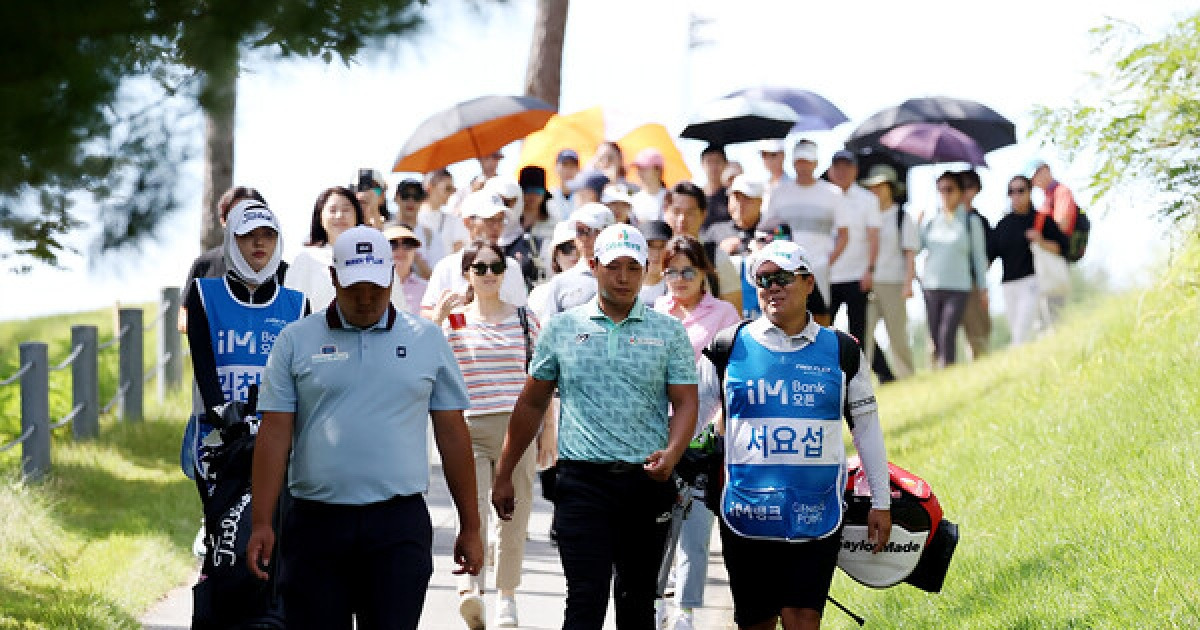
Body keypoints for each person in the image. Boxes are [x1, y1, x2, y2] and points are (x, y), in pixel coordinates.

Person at [247, 226, 483, 630]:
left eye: (375, 286)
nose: (366, 298)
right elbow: (274, 432)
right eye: (355, 287)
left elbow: (452, 433)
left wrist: (471, 525)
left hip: (397, 524)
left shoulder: (426, 339)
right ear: (335, 278)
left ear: (391, 276)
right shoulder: (295, 340)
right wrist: (262, 522)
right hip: (316, 525)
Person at [491, 224, 699, 629]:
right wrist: (504, 473)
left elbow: (685, 401)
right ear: (593, 266)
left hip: (646, 483)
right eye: (613, 267)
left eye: (633, 268)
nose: (623, 277)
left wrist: (672, 454)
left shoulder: (668, 331)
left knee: (637, 600)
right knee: (585, 597)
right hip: (582, 481)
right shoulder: (561, 328)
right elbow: (532, 402)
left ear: (646, 271)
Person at [704, 240, 891, 630]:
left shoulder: (842, 349)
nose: (773, 287)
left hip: (816, 511)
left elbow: (868, 430)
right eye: (764, 279)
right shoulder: (728, 345)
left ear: (808, 283)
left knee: (803, 619)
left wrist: (881, 501)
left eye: (783, 278)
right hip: (747, 512)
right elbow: (693, 415)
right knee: (756, 623)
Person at [440, 241, 544, 629]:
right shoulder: (454, 321)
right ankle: (470, 587)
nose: (488, 274)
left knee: (513, 515)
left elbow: (542, 378)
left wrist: (547, 431)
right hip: (467, 425)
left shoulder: (525, 318)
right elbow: (427, 357)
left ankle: (507, 594)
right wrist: (438, 315)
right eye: (479, 267)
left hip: (516, 427)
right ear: (467, 273)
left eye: (495, 267)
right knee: (470, 512)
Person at [183, 199, 307, 484]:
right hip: (215, 435)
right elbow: (203, 363)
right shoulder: (203, 293)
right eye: (248, 235)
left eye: (268, 235)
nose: (259, 243)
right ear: (231, 239)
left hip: (278, 435)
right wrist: (221, 414)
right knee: (225, 525)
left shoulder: (298, 304)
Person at [651, 235, 740, 630]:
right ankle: (656, 601)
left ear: (705, 271)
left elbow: (733, 375)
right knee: (658, 519)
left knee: (695, 525)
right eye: (672, 271)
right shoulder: (656, 310)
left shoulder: (723, 314)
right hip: (659, 430)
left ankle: (685, 610)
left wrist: (720, 425)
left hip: (705, 434)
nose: (680, 279)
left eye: (689, 270)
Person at [760, 139, 848, 327]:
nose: (803, 165)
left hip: (819, 269)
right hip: (785, 269)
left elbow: (844, 234)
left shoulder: (832, 193)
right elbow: (768, 228)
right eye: (799, 160)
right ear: (793, 162)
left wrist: (827, 262)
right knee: (787, 318)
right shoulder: (779, 192)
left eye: (807, 161)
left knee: (821, 319)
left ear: (816, 163)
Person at [179, 186, 272, 333]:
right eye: (238, 214)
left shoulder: (283, 270)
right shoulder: (204, 264)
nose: (246, 221)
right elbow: (184, 317)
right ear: (223, 220)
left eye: (253, 215)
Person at [421, 192, 529, 320]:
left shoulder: (512, 266)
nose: (496, 226)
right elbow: (426, 312)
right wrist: (449, 315)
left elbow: (522, 313)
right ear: (467, 222)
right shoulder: (446, 266)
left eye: (500, 219)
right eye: (489, 219)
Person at [919, 171, 989, 368]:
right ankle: (940, 373)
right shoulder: (932, 222)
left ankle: (947, 370)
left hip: (959, 287)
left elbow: (978, 257)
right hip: (932, 285)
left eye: (949, 189)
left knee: (947, 332)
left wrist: (983, 289)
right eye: (941, 189)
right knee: (934, 335)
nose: (945, 194)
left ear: (959, 192)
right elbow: (916, 248)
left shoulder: (970, 221)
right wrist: (917, 224)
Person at [989, 175, 1068, 344]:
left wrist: (1040, 241)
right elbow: (990, 255)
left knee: (1022, 331)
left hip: (1034, 281)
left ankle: (1011, 361)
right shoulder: (1003, 225)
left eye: (1020, 190)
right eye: (1011, 192)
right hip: (1009, 285)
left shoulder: (1041, 219)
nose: (1016, 195)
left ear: (1030, 192)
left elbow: (1062, 247)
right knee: (1017, 327)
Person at [827, 150, 882, 374]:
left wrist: (869, 269)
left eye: (846, 167)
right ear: (830, 171)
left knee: (858, 329)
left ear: (855, 170)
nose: (841, 172)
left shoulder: (868, 199)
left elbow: (874, 237)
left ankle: (858, 375)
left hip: (857, 274)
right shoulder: (824, 195)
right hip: (827, 275)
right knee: (823, 326)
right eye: (837, 167)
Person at [860, 165, 917, 380]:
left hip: (894, 281)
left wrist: (908, 283)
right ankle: (862, 384)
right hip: (869, 282)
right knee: (864, 335)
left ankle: (907, 377)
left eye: (881, 187)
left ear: (891, 188)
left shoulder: (902, 216)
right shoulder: (865, 216)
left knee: (898, 336)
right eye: (872, 187)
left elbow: (910, 252)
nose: (876, 192)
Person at [285, 186, 375, 312]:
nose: (339, 216)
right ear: (320, 217)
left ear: (357, 215)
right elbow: (289, 308)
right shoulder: (305, 258)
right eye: (332, 210)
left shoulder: (374, 256)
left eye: (346, 210)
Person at [663, 181, 744, 314]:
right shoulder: (653, 256)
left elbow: (734, 317)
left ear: (703, 214)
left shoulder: (717, 258)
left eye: (690, 212)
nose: (682, 219)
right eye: (676, 211)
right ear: (665, 211)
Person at [535, 203, 614, 316]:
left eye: (589, 230)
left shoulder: (626, 276)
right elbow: (549, 330)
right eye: (579, 231)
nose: (584, 237)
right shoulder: (560, 282)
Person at [957, 169, 993, 359]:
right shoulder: (944, 219)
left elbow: (989, 255)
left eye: (969, 186)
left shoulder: (980, 221)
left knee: (979, 334)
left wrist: (982, 286)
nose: (964, 191)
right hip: (948, 285)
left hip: (973, 284)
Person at [530, 221, 582, 321]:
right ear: (556, 255)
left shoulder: (599, 287)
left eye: (579, 247)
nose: (575, 253)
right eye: (567, 248)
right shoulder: (539, 294)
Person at [418, 168, 469, 267]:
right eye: (448, 188)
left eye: (453, 189)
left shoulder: (454, 221)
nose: (451, 193)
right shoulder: (415, 218)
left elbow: (458, 257)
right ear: (430, 187)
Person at [392, 178, 433, 279]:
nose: (411, 201)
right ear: (396, 198)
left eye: (416, 197)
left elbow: (435, 277)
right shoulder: (384, 231)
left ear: (422, 200)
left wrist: (412, 254)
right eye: (405, 196)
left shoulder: (430, 236)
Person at [384, 223, 428, 315]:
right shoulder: (372, 288)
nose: (400, 251)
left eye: (407, 244)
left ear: (415, 251)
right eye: (392, 244)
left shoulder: (427, 289)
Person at [638, 220, 675, 307]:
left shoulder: (678, 287)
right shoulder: (625, 288)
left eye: (663, 246)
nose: (656, 253)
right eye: (649, 245)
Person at [631, 148, 669, 224]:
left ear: (658, 170)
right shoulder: (633, 200)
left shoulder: (670, 199)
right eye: (638, 168)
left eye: (644, 168)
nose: (639, 173)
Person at [700, 144, 731, 230]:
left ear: (726, 163)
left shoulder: (732, 195)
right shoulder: (697, 196)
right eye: (709, 162)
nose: (713, 167)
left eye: (717, 161)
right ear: (702, 164)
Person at [550, 148, 582, 220]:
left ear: (578, 169)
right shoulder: (547, 196)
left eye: (572, 166)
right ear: (556, 168)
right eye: (565, 165)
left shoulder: (584, 196)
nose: (568, 170)